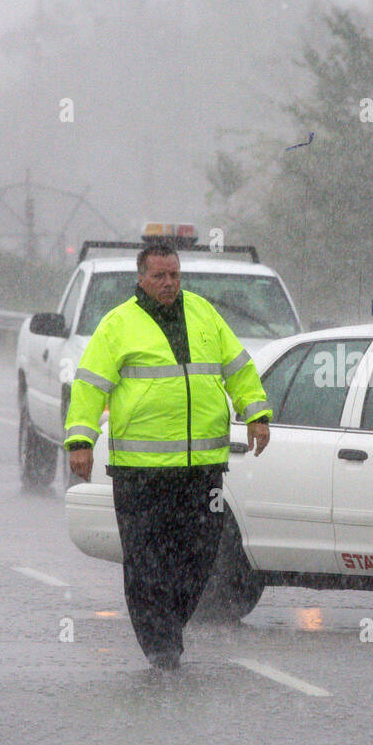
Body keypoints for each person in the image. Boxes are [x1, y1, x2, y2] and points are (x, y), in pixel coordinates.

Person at [63, 240, 271, 670]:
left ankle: (169, 622)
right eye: (159, 276)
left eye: (174, 275)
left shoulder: (203, 314)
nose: (169, 283)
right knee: (146, 559)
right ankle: (159, 643)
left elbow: (239, 368)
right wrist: (80, 442)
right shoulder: (118, 324)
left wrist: (256, 413)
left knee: (199, 554)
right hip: (141, 470)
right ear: (141, 278)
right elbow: (88, 386)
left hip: (202, 467)